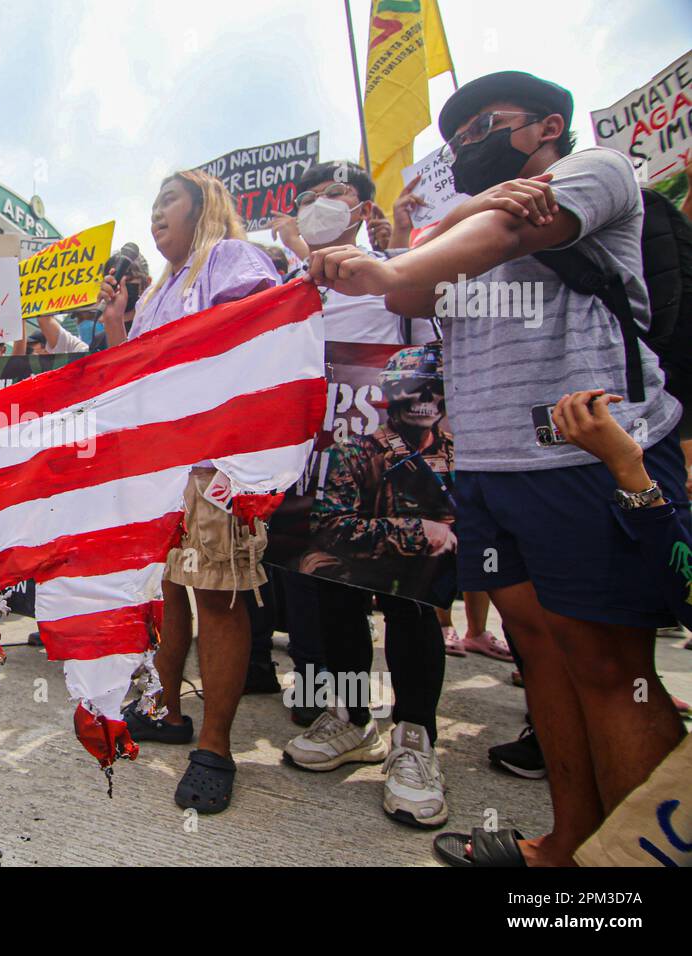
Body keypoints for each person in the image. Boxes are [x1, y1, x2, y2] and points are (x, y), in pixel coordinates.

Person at [309, 71, 687, 866]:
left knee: (613, 669)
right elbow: (429, 284)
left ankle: (633, 871)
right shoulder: (463, 220)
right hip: (490, 466)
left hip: (584, 456)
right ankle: (569, 843)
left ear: (549, 125)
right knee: (542, 655)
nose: (469, 142)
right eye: (459, 136)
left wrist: (396, 262)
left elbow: (499, 242)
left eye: (489, 123)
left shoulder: (599, 171)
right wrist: (457, 212)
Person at [102, 169, 280, 814]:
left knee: (219, 595)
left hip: (218, 461)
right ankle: (168, 708)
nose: (155, 215)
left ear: (203, 204)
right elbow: (138, 374)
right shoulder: (155, 292)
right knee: (171, 588)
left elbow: (260, 330)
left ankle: (215, 747)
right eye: (149, 205)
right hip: (165, 464)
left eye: (167, 202)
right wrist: (120, 325)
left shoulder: (230, 257)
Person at [287, 344, 456, 828]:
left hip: (422, 584)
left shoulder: (457, 455)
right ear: (390, 396)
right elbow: (332, 526)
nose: (424, 399)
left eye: (434, 389)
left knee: (417, 609)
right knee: (328, 575)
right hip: (362, 567)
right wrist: (417, 532)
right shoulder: (357, 451)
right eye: (412, 389)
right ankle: (353, 718)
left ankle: (415, 739)